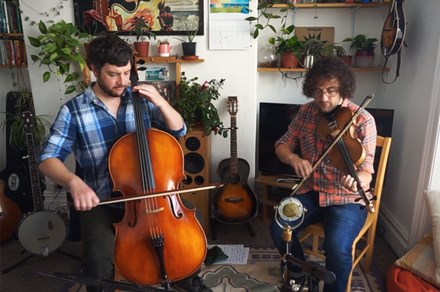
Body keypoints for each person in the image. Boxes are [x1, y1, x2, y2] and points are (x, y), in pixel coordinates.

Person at [39, 34, 211, 292]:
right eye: (113, 74)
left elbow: (179, 130)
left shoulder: (140, 98)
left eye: (127, 72)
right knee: (97, 261)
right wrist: (74, 182)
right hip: (101, 199)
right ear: (94, 69)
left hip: (153, 194)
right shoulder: (73, 111)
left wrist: (161, 101)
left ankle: (188, 278)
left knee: (184, 236)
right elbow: (47, 158)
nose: (123, 81)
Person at [269, 56, 377, 292]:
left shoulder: (362, 119)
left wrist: (357, 179)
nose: (323, 98)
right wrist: (293, 158)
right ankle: (300, 272)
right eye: (317, 91)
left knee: (337, 246)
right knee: (278, 225)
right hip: (311, 192)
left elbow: (367, 170)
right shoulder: (306, 112)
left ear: (343, 89)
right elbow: (282, 144)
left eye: (331, 91)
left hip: (346, 199)